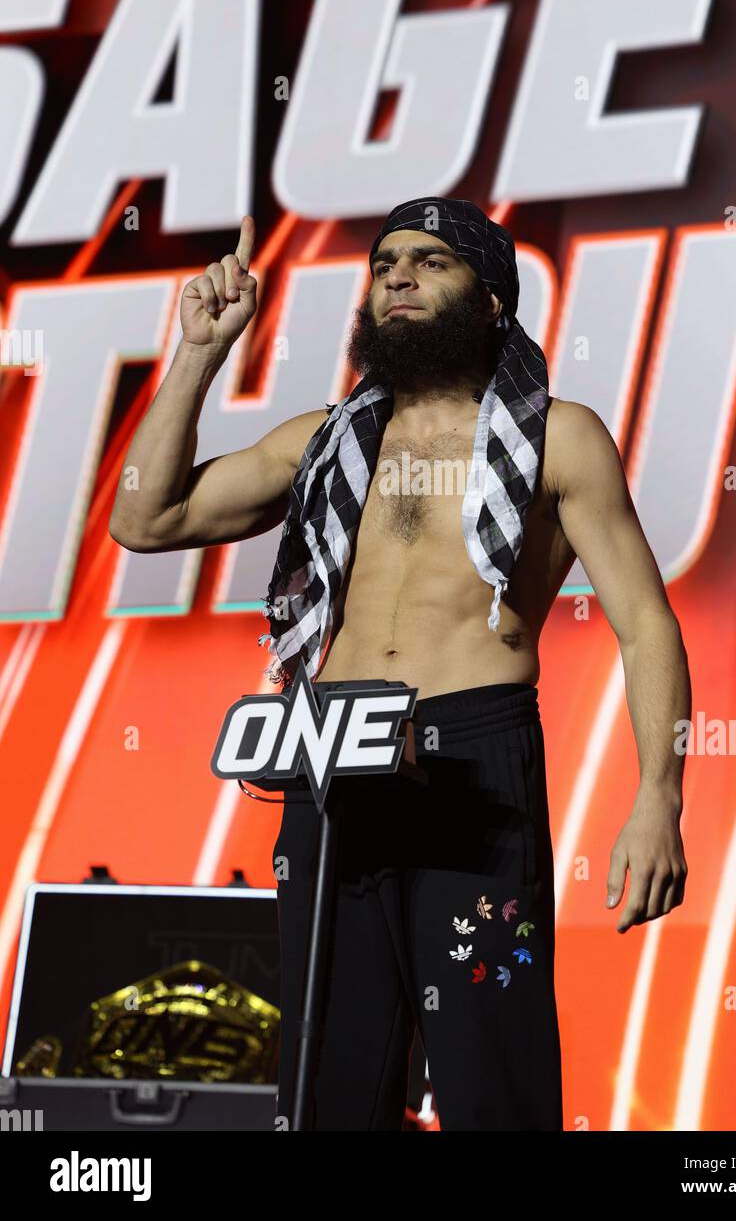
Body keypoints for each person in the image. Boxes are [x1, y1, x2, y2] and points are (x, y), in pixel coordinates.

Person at [109, 198, 690, 1131]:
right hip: (331, 763)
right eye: (384, 265)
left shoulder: (558, 437)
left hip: (472, 768)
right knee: (329, 1085)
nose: (398, 277)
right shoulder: (323, 439)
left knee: (489, 1074)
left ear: (493, 300)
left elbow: (646, 624)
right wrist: (199, 353)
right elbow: (146, 519)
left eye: (431, 261)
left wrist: (658, 795)